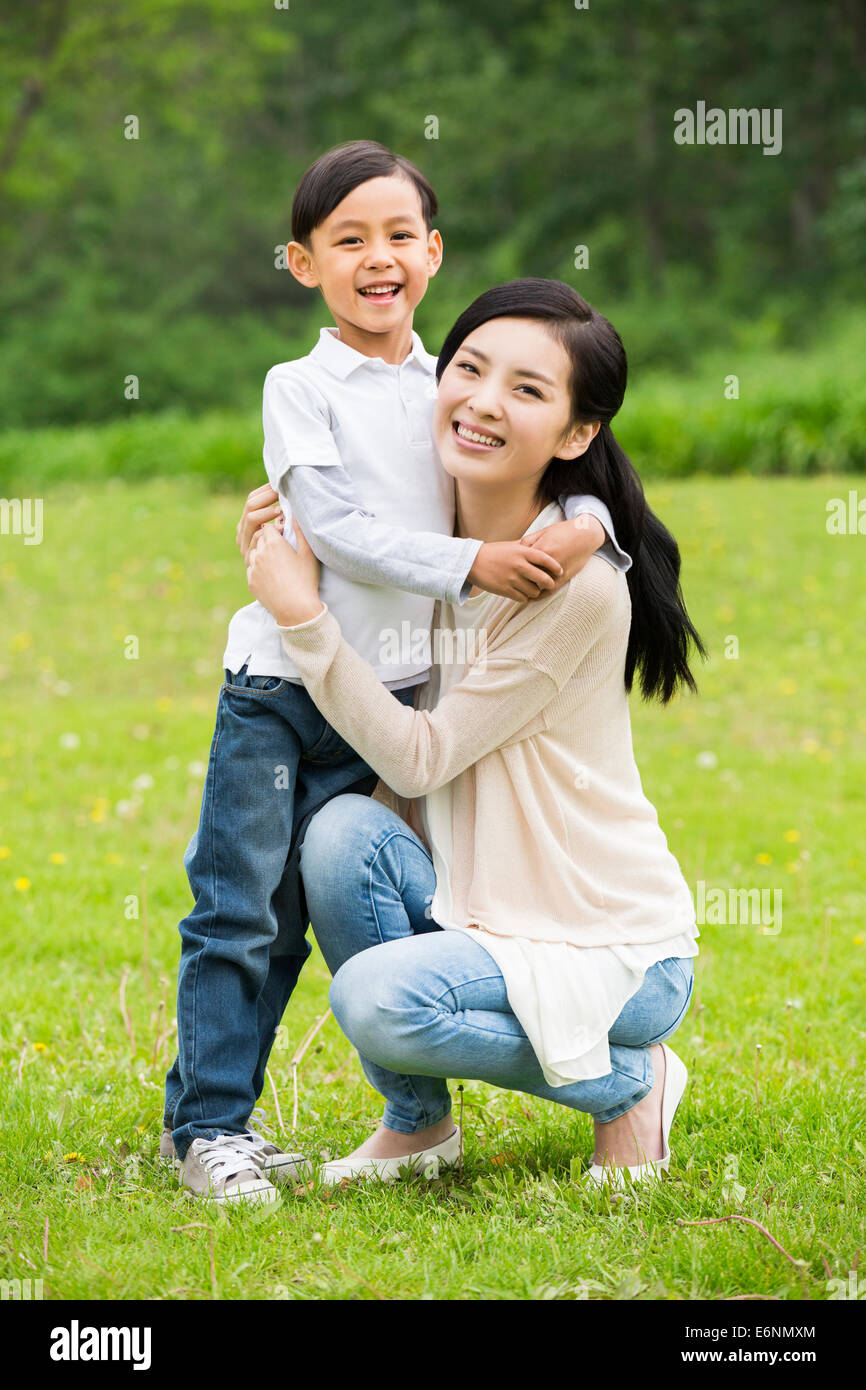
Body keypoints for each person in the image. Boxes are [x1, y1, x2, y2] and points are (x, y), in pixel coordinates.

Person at [164, 143, 627, 1203]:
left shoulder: (445, 384)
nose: (376, 257)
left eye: (396, 236)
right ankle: (209, 1129)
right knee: (237, 907)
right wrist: (475, 562)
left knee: (300, 912)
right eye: (346, 241)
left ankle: (240, 1119)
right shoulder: (299, 387)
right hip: (283, 691)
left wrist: (585, 520)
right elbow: (333, 524)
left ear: (432, 252)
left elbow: (536, 460)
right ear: (302, 264)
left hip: (393, 697)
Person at [244, 278, 706, 1190]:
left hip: (610, 947)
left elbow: (422, 755)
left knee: (375, 1001)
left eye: (528, 390)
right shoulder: (428, 541)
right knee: (340, 835)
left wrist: (304, 620)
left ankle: (633, 1083)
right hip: (478, 905)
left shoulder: (574, 587)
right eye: (469, 369)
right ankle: (419, 1126)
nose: (484, 402)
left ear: (577, 435)